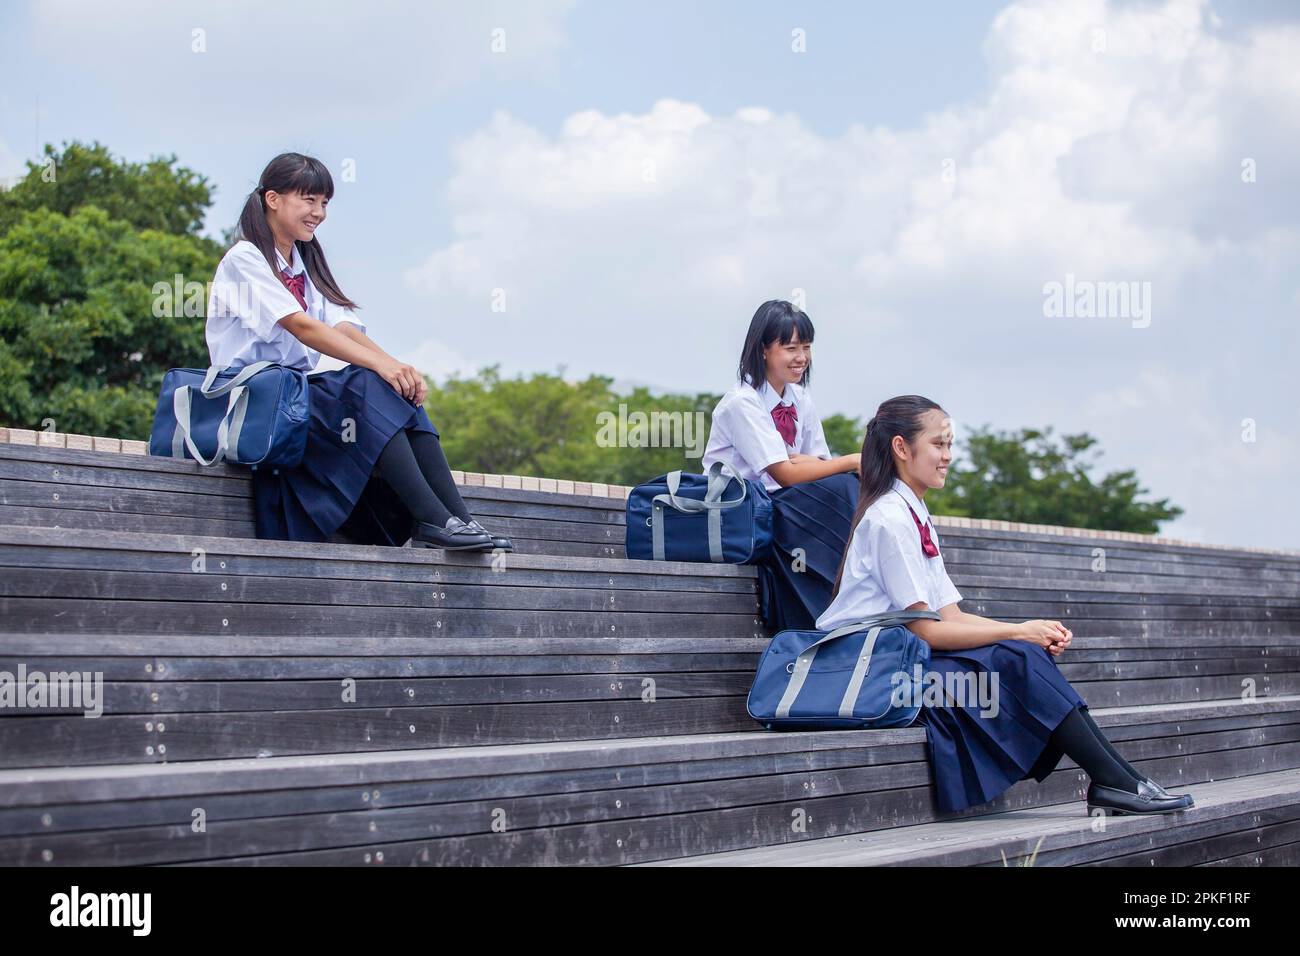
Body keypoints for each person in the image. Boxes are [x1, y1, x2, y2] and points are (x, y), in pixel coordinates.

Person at [816, 395, 1194, 816]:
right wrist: (1016, 631)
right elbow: (926, 630)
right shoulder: (889, 518)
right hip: (872, 675)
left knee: (1024, 653)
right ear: (902, 448)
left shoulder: (914, 512)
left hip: (904, 660)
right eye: (939, 445)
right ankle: (1120, 783)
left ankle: (1121, 781)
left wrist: (1028, 630)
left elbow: (950, 617)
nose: (948, 456)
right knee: (1018, 656)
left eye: (950, 445)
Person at [205, 152, 511, 552]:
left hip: (293, 394)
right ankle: (432, 520)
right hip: (255, 400)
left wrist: (396, 368)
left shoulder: (302, 261)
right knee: (367, 384)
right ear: (273, 199)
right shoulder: (245, 259)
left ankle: (456, 519)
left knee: (393, 391)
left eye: (325, 203)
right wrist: (380, 367)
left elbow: (342, 326)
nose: (318, 212)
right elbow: (301, 325)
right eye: (309, 200)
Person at [701, 300, 861, 631]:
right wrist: (853, 459)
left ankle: (849, 598)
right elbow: (786, 474)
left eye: (806, 347)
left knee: (850, 488)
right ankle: (832, 611)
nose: (801, 357)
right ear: (763, 350)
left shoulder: (799, 398)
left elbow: (815, 464)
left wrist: (807, 464)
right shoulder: (742, 403)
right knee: (845, 485)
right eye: (790, 348)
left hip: (784, 503)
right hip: (743, 511)